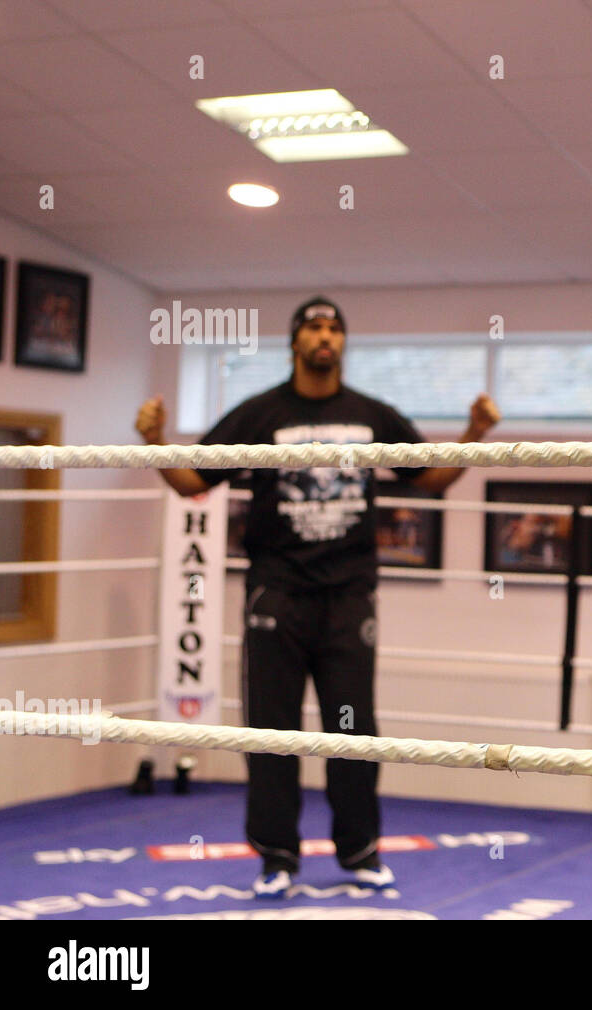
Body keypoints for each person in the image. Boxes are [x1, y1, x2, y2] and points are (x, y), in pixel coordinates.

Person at [135, 296, 501, 896]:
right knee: (273, 733)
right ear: (295, 343)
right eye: (314, 328)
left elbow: (429, 478)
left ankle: (359, 851)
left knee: (353, 730)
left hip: (348, 599)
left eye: (334, 328)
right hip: (276, 597)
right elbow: (193, 481)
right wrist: (154, 441)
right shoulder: (259, 414)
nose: (325, 336)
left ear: (343, 343)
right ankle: (277, 857)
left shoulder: (372, 415)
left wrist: (475, 433)